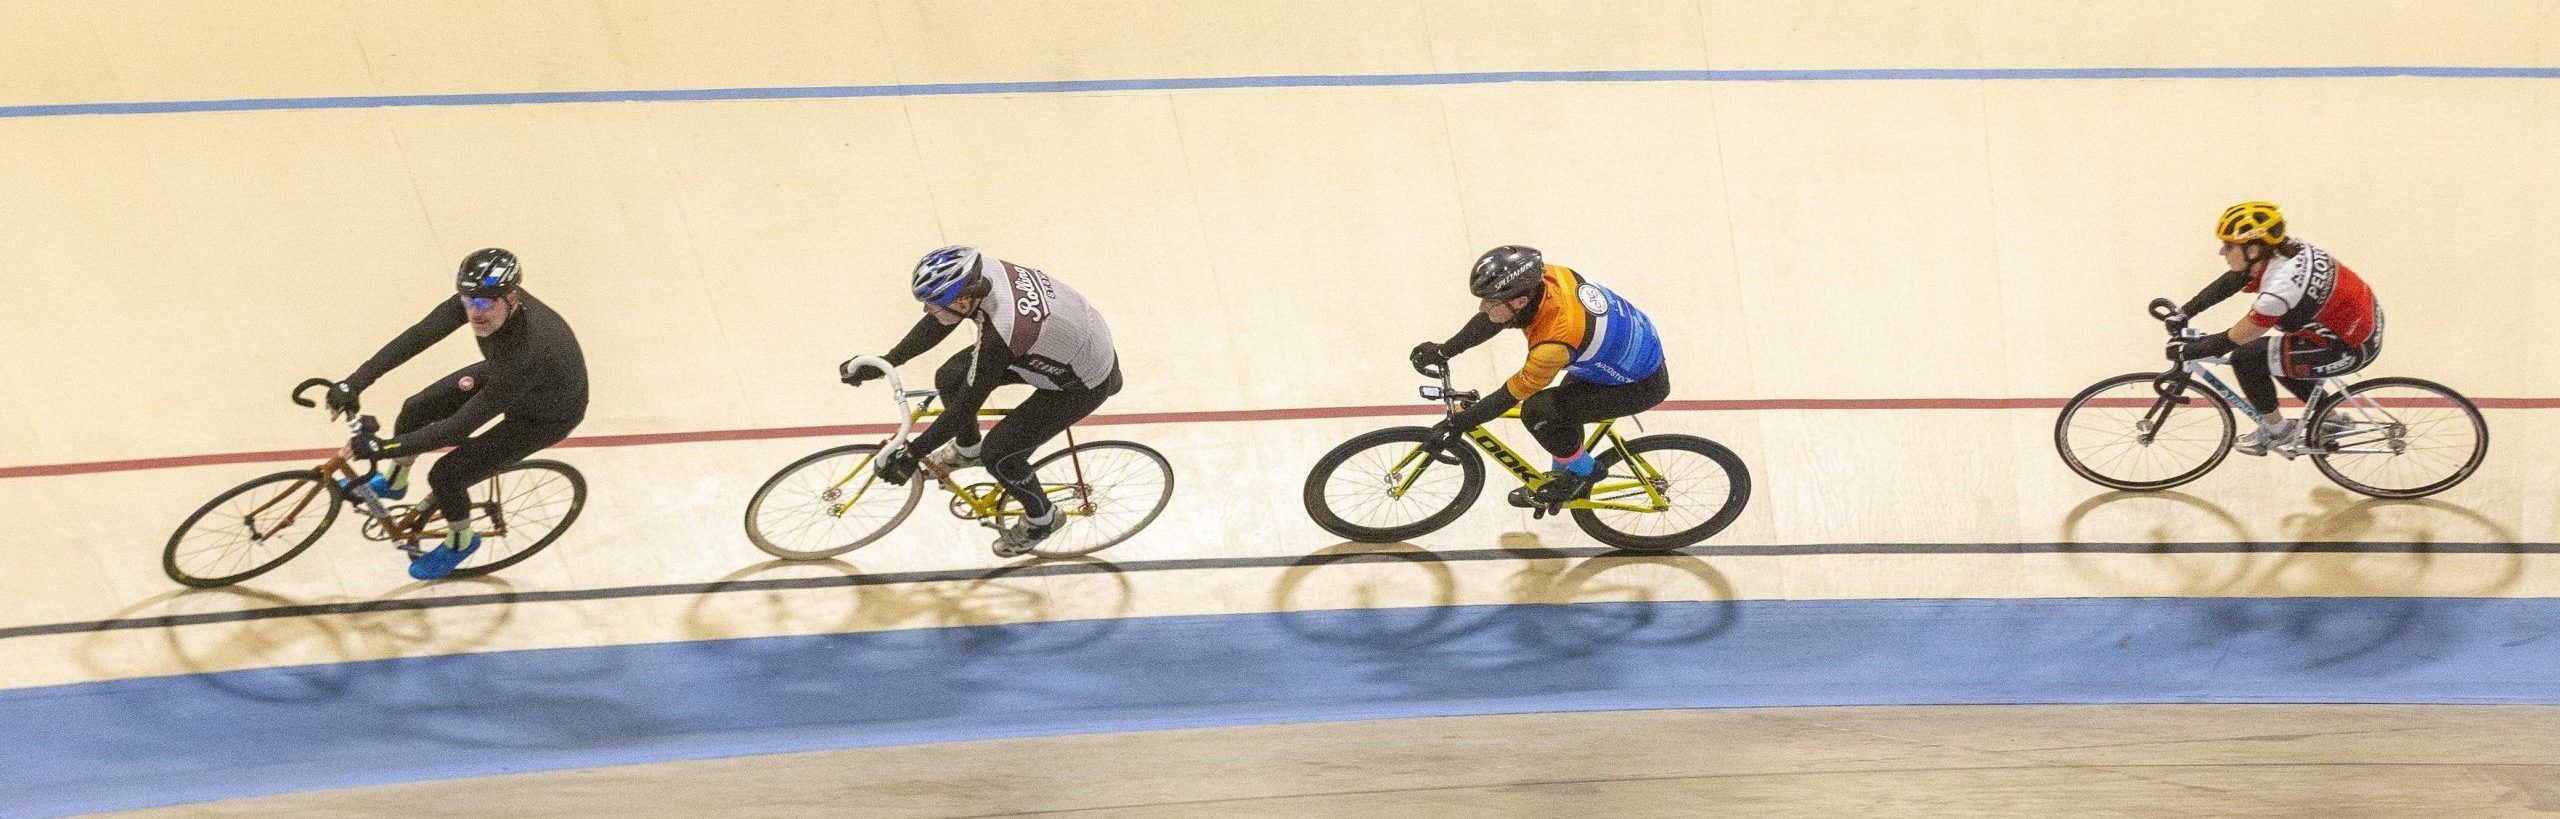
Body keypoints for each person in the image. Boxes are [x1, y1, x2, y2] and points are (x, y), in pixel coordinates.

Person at [324, 248, 590, 579]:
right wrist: (355, 382)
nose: (472, 311)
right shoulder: (482, 299)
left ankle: (462, 541)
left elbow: (456, 429)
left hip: (543, 416)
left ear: (511, 296)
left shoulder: (528, 353)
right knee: (416, 408)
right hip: (507, 376)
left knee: (447, 474)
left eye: (481, 304)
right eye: (466, 301)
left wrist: (383, 447)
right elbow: (418, 337)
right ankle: (395, 481)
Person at [840, 245, 1122, 557]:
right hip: (1069, 342)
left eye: (934, 304)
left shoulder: (1001, 335)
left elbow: (965, 407)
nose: (928, 310)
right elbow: (939, 322)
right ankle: (966, 450)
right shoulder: (980, 273)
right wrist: (890, 360)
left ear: (964, 299)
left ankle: (1043, 517)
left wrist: (913, 454)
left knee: (1000, 454)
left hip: (1079, 383)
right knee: (950, 377)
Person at [1408, 246, 1669, 515]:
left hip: (1637, 386)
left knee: (1538, 412)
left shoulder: (1553, 344)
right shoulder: (1549, 278)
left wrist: (1457, 424)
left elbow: (1509, 394)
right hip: (1620, 356)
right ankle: (1561, 475)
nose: (1482, 307)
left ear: (1520, 301)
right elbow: (1494, 320)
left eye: (1490, 301)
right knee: (1561, 410)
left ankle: (1587, 473)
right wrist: (1445, 350)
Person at [2166, 202, 2382, 456]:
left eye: (2228, 245)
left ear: (2253, 249)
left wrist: (2189, 350)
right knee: (2275, 356)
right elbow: (2237, 277)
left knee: (2247, 358)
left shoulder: (2278, 291)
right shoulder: (2285, 249)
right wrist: (2187, 310)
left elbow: (2237, 337)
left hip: (2349, 347)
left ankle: (2277, 431)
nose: (2222, 251)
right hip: (2356, 325)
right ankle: (2328, 416)